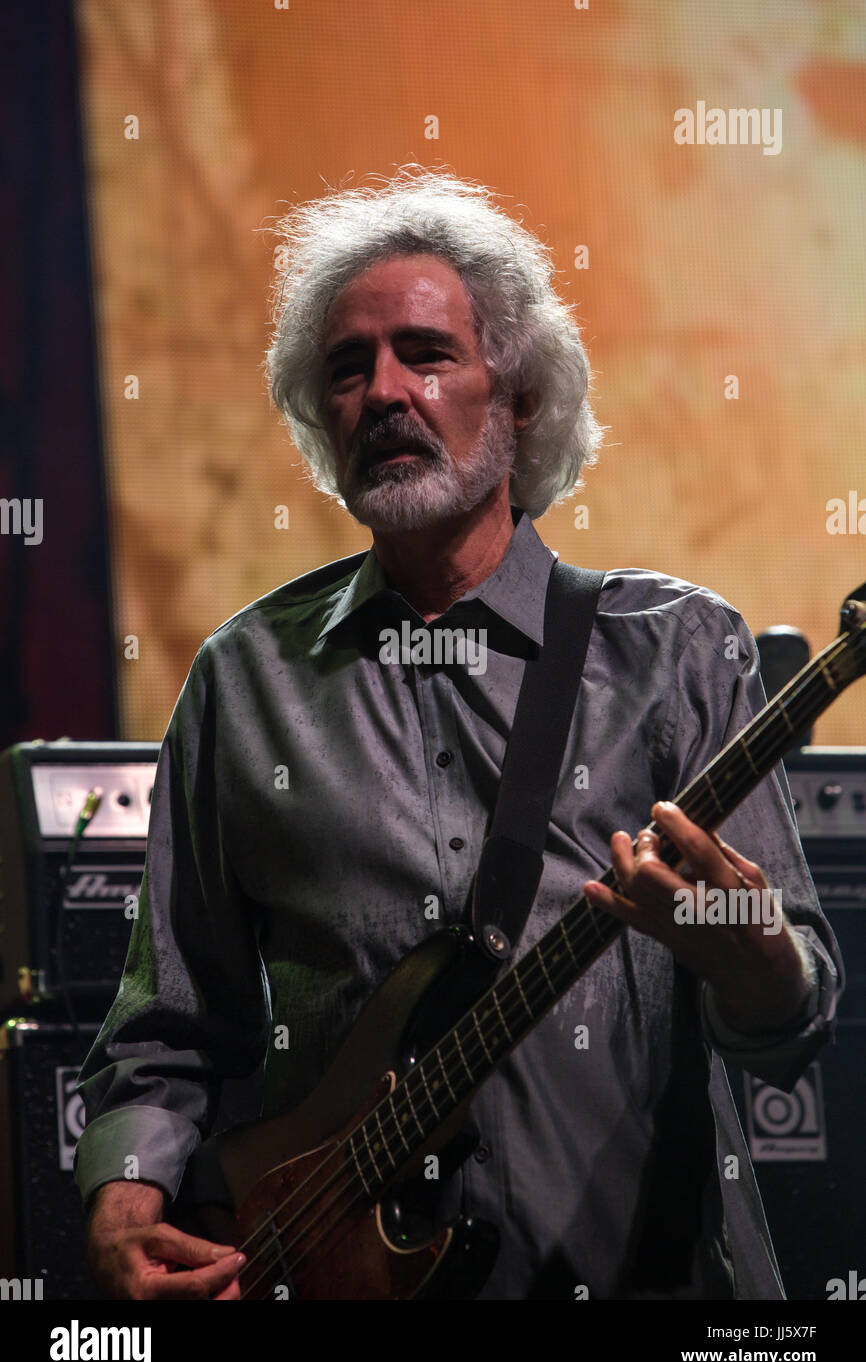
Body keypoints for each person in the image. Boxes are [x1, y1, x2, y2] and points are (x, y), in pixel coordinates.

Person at [76, 168, 841, 1301]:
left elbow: (795, 1014)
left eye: (424, 355)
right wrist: (122, 1202)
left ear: (519, 397)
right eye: (347, 367)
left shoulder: (677, 652)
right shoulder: (244, 682)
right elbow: (166, 1030)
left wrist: (749, 953)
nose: (383, 391)